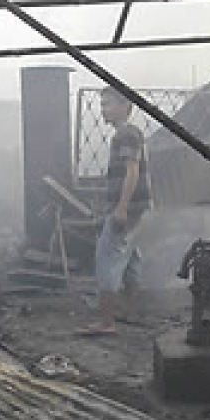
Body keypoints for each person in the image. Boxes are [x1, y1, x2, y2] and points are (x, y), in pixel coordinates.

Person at [83, 86, 152, 335]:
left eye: (108, 105)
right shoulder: (127, 135)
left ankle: (106, 322)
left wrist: (121, 209)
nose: (103, 110)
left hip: (129, 209)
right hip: (137, 208)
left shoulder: (127, 135)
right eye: (102, 105)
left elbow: (132, 171)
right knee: (130, 259)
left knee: (107, 260)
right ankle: (132, 311)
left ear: (125, 107)